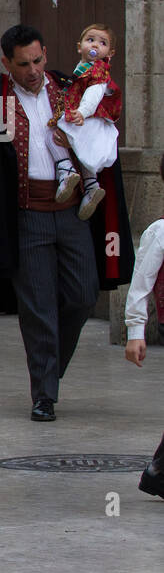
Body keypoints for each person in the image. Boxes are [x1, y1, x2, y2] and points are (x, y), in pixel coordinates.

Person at [0, 24, 133, 421]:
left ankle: (50, 372)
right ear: (6, 63)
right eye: (22, 64)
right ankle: (44, 394)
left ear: (46, 54)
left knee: (83, 294)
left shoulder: (70, 88)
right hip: (27, 215)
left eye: (37, 60)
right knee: (39, 309)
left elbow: (105, 117)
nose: (32, 70)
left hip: (72, 212)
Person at [48, 24, 121, 220]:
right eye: (90, 40)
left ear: (110, 53)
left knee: (52, 134)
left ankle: (65, 169)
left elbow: (93, 94)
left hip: (87, 118)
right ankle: (91, 187)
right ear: (79, 46)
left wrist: (82, 112)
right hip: (88, 119)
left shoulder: (98, 70)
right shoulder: (84, 68)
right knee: (84, 153)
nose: (95, 45)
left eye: (102, 43)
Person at [124, 154, 164, 499]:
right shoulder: (160, 232)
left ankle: (158, 471)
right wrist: (136, 332)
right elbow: (141, 285)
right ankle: (157, 471)